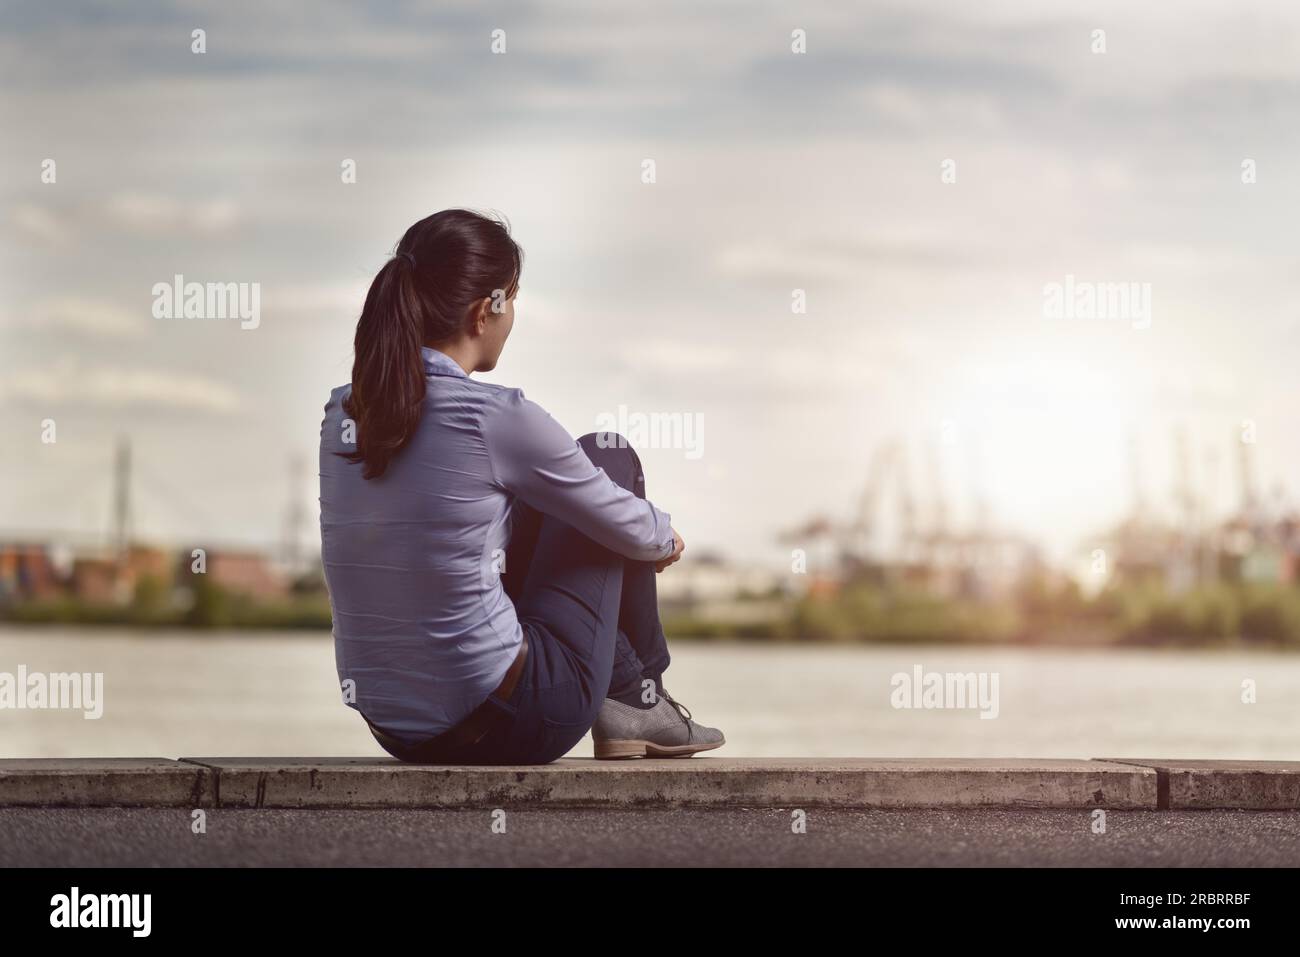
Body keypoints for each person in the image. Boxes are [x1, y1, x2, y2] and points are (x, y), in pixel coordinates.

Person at [318, 208, 725, 764]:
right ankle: (640, 696)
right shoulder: (496, 417)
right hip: (512, 721)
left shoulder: (345, 411)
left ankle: (633, 697)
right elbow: (627, 524)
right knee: (606, 453)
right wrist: (663, 536)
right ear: (490, 308)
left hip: (395, 729)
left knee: (531, 501)